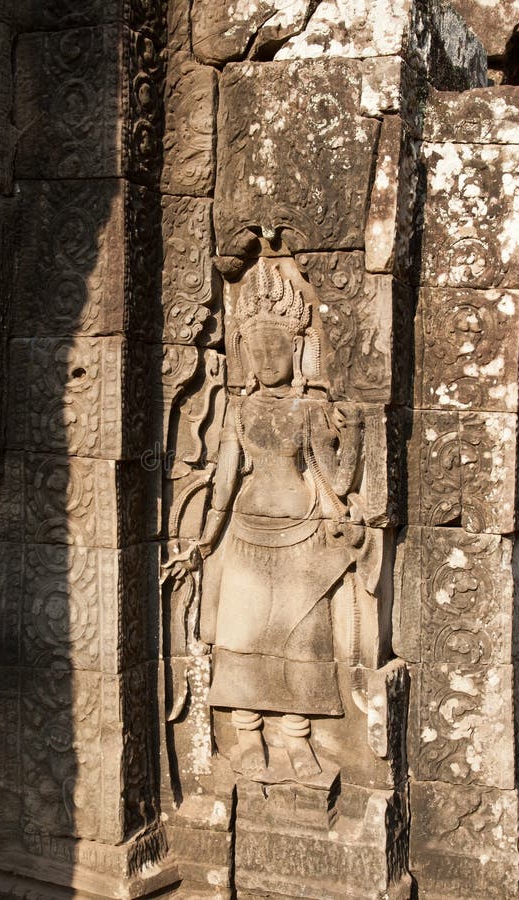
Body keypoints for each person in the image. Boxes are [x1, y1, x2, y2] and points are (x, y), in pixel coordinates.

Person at [176, 260, 366, 779]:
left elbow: (337, 481)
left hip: (301, 537)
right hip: (244, 534)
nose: (264, 361)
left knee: (304, 639)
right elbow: (225, 480)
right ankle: (248, 734)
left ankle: (298, 737)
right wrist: (204, 539)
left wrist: (352, 432)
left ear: (297, 350)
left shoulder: (309, 410)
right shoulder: (240, 411)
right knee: (242, 638)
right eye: (255, 352)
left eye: (274, 350)